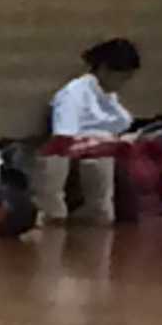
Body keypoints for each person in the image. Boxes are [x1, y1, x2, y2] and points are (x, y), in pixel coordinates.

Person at [36, 38, 149, 225]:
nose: (122, 84)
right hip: (68, 150)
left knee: (105, 210)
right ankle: (54, 216)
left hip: (99, 149)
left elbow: (122, 124)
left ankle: (95, 212)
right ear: (104, 69)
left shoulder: (109, 95)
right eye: (121, 77)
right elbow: (62, 139)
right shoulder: (73, 94)